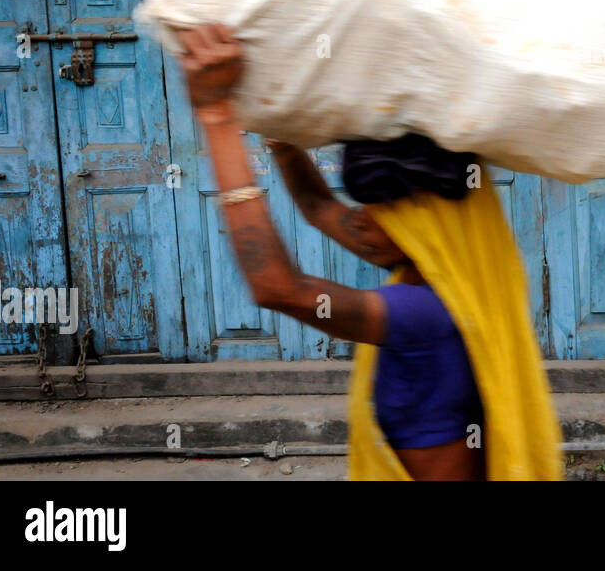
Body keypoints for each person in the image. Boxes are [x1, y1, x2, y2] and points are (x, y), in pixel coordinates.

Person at [176, 23, 563, 481]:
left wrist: (216, 116)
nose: (358, 217)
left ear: (423, 227)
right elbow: (319, 206)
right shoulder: (454, 282)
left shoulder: (423, 313)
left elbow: (278, 289)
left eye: (377, 208)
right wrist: (277, 133)